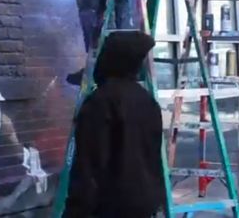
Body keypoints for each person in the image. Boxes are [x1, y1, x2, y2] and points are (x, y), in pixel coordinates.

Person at [64, 30, 166, 218]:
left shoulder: (99, 102)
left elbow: (89, 166)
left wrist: (75, 211)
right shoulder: (147, 101)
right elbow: (153, 157)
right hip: (144, 202)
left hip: (110, 206)